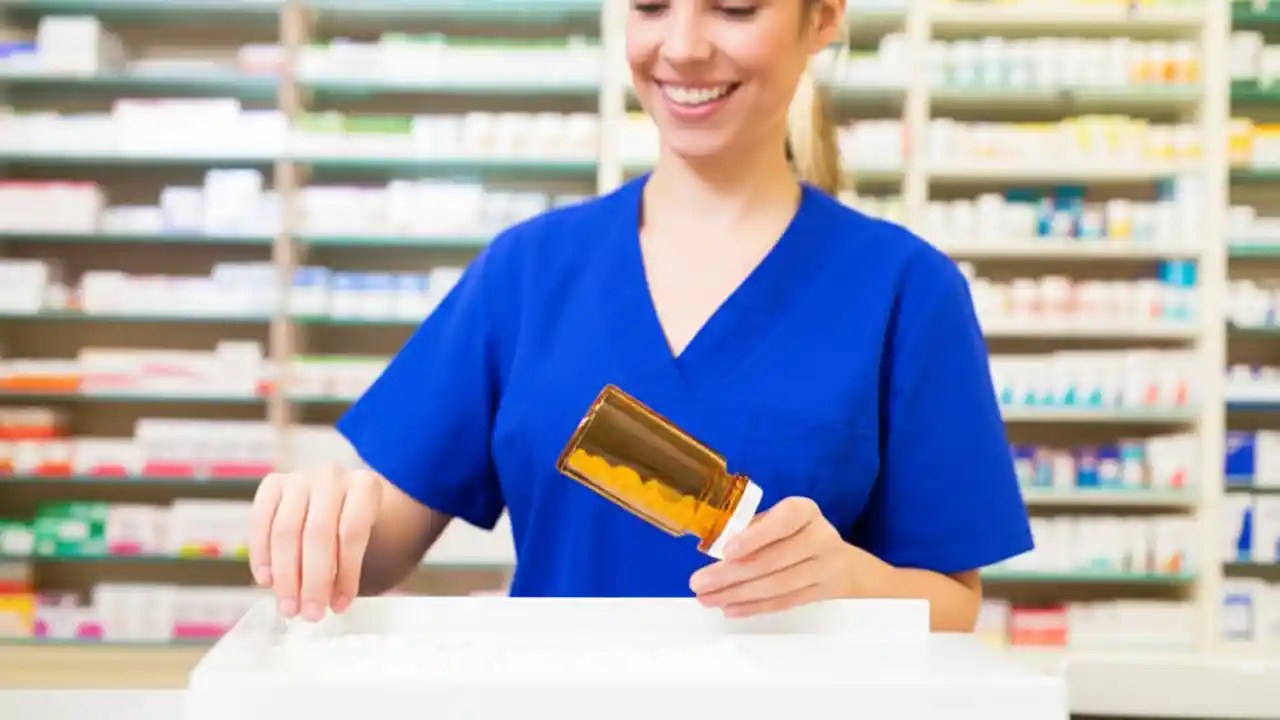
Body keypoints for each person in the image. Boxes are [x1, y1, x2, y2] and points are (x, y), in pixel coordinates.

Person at [249, 0, 1034, 631]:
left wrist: (850, 581)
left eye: (734, 8)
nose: (683, 47)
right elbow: (385, 548)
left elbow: (952, 602)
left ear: (822, 18)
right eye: (652, 6)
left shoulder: (906, 288)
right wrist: (328, 522)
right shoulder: (529, 270)